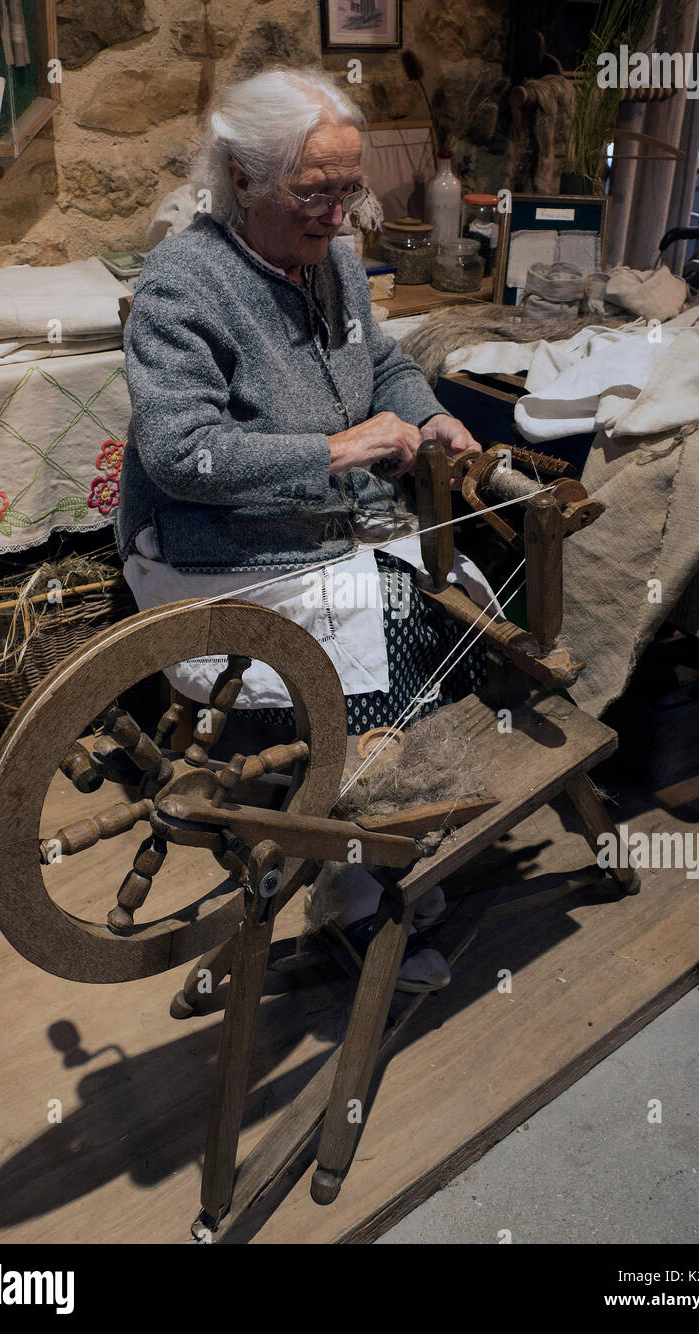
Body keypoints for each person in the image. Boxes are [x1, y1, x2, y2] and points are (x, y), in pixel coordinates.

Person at [115, 66, 490, 990]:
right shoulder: (184, 284)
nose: (335, 214)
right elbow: (179, 453)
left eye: (346, 190)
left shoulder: (337, 263)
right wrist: (334, 449)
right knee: (393, 615)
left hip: (328, 523)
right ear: (242, 177)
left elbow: (387, 364)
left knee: (460, 602)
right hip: (220, 543)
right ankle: (351, 892)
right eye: (313, 191)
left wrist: (424, 412)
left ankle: (392, 834)